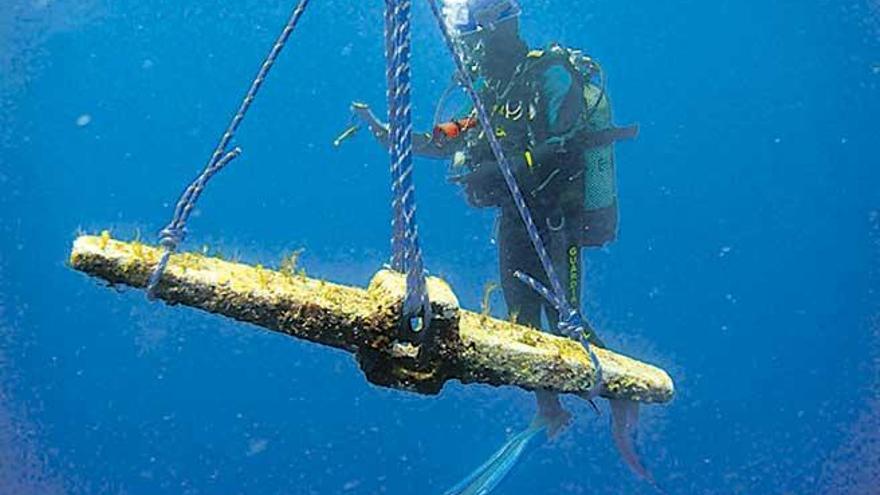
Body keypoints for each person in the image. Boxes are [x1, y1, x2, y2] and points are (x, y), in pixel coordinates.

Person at [351, 0, 644, 491]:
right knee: (521, 320)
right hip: (516, 217)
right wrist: (391, 135)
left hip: (555, 221)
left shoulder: (548, 74)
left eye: (471, 39)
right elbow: (451, 135)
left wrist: (510, 167)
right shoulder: (492, 89)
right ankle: (548, 411)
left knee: (564, 317)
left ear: (496, 30)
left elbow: (568, 139)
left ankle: (621, 400)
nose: (467, 52)